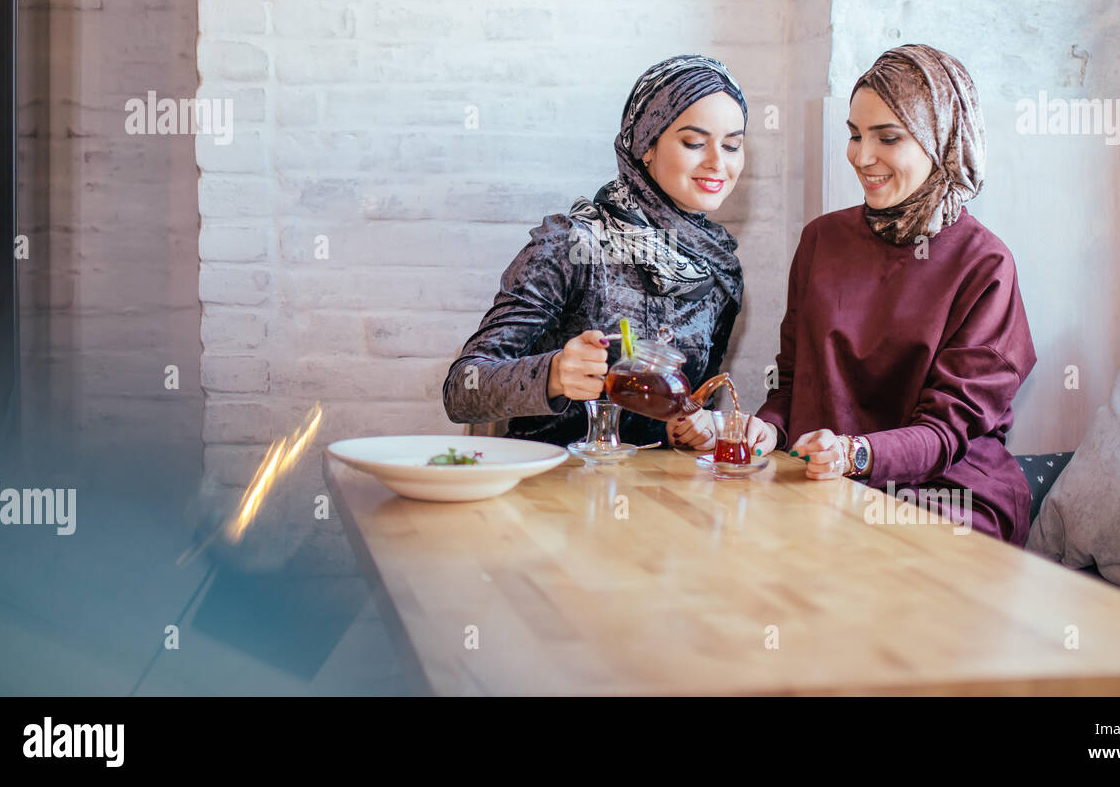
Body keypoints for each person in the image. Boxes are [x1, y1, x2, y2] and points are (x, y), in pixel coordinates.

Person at [745, 44, 1037, 545]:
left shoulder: (985, 265)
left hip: (947, 496)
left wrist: (858, 454)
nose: (862, 156)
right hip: (827, 486)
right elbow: (793, 385)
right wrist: (767, 429)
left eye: (888, 137)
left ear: (940, 139)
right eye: (855, 135)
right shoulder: (821, 240)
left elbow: (947, 433)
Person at [443, 54, 748, 450]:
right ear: (646, 145)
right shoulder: (573, 244)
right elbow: (461, 390)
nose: (717, 163)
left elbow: (691, 403)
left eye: (732, 146)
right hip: (549, 490)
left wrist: (694, 424)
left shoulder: (719, 268)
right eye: (694, 142)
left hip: (660, 497)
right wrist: (553, 374)